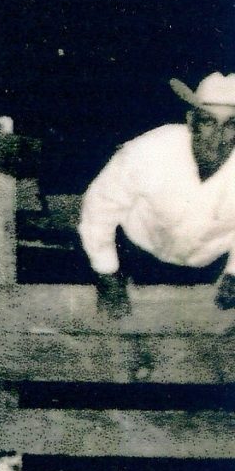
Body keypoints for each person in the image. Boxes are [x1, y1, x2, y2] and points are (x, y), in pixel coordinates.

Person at [79, 73, 235, 317]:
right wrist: (107, 271)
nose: (218, 137)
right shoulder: (151, 150)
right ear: (192, 122)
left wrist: (234, 274)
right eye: (208, 122)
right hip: (138, 259)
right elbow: (100, 205)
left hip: (208, 271)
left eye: (231, 125)